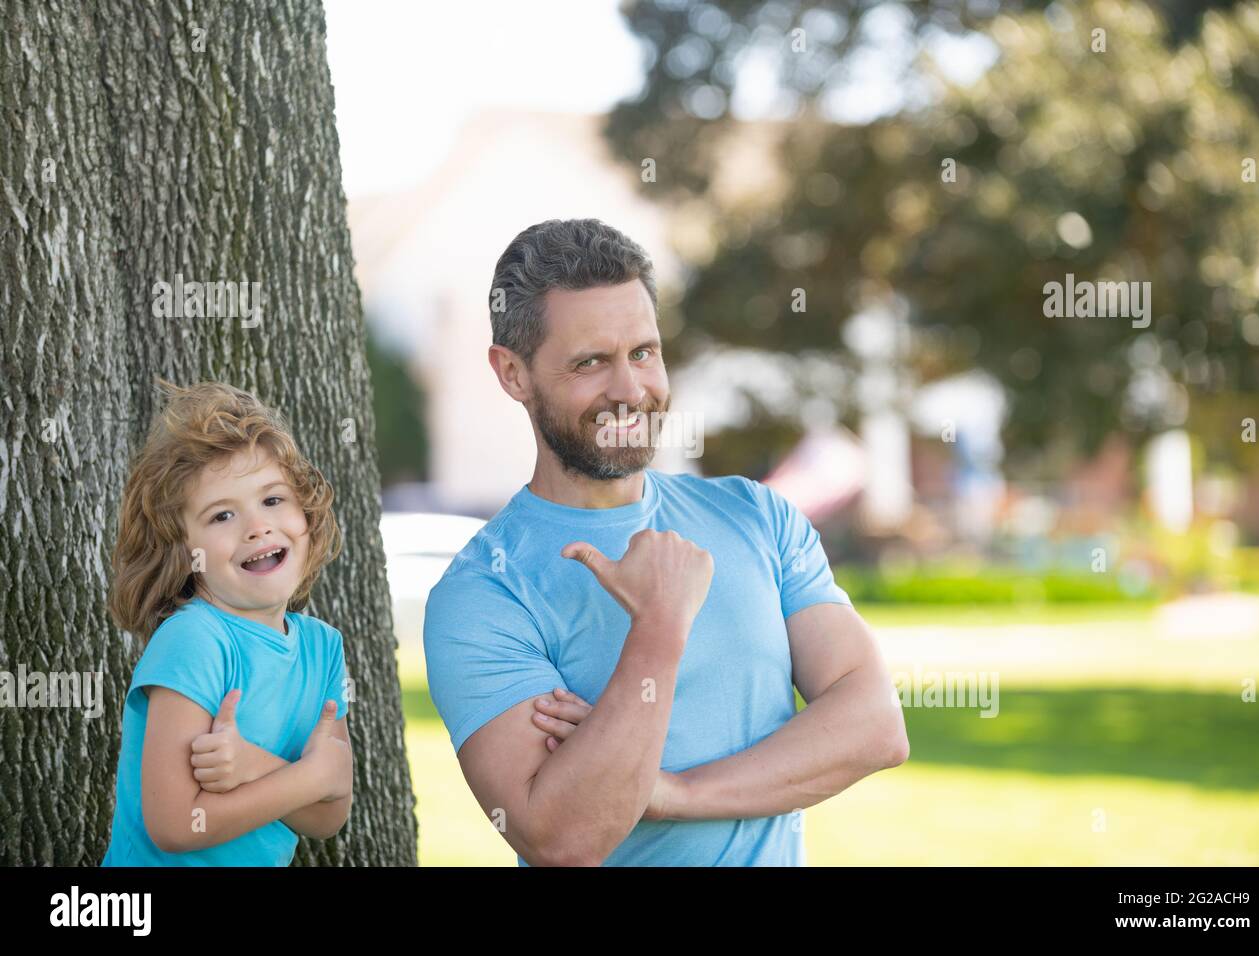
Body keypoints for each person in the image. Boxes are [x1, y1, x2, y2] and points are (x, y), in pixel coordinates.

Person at [423, 218, 909, 866]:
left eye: (643, 353)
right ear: (513, 373)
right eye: (591, 362)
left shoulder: (757, 516)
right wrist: (658, 626)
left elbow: (875, 725)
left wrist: (671, 792)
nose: (630, 391)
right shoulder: (483, 592)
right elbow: (562, 837)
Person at [102, 381, 352, 866]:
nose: (256, 526)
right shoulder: (194, 638)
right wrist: (309, 778)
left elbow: (328, 817)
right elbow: (175, 824)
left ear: (306, 513)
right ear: (182, 551)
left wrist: (255, 765)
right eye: (221, 516)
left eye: (273, 500)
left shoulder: (324, 648)